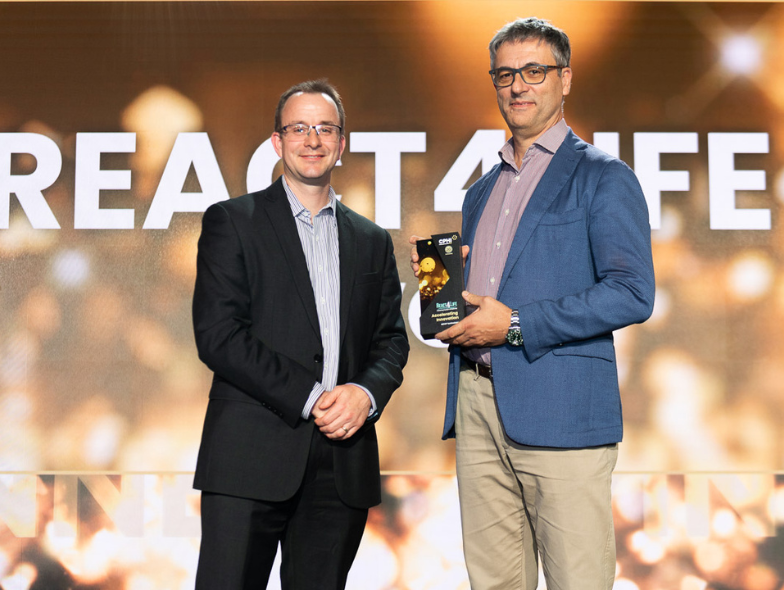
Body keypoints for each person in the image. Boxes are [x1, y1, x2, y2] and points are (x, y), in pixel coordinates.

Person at [410, 17, 655, 590]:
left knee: (578, 580)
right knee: (493, 581)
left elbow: (632, 292)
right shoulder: (480, 190)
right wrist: (442, 297)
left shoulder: (603, 176)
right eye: (505, 75)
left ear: (564, 79)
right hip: (476, 402)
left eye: (534, 71)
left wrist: (516, 324)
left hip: (561, 407)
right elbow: (486, 297)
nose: (518, 85)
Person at [192, 79, 409, 590]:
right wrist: (312, 397)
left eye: (325, 128)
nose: (312, 140)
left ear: (342, 143)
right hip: (249, 456)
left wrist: (364, 394)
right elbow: (219, 335)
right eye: (298, 128)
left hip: (342, 465)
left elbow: (391, 341)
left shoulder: (372, 240)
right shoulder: (232, 222)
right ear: (277, 141)